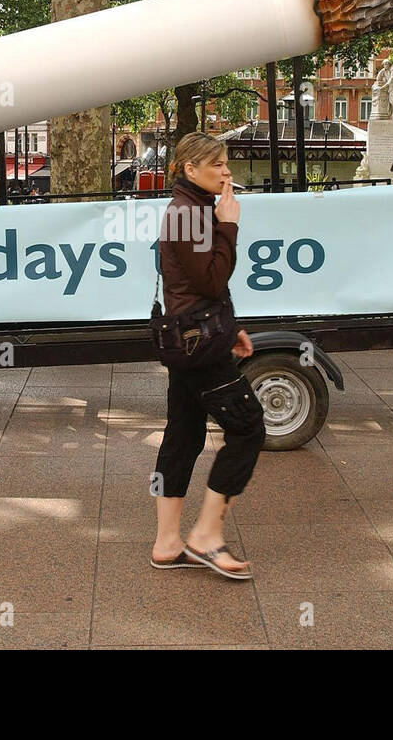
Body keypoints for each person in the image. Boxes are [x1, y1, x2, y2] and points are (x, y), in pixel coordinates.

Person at [152, 131, 266, 580]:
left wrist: (232, 325)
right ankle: (204, 536)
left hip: (191, 338)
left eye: (226, 163)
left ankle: (166, 542)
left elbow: (194, 285)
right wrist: (230, 224)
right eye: (217, 164)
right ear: (189, 169)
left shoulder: (190, 209)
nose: (226, 172)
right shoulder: (189, 214)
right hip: (200, 347)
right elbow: (212, 281)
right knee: (249, 427)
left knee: (183, 435)